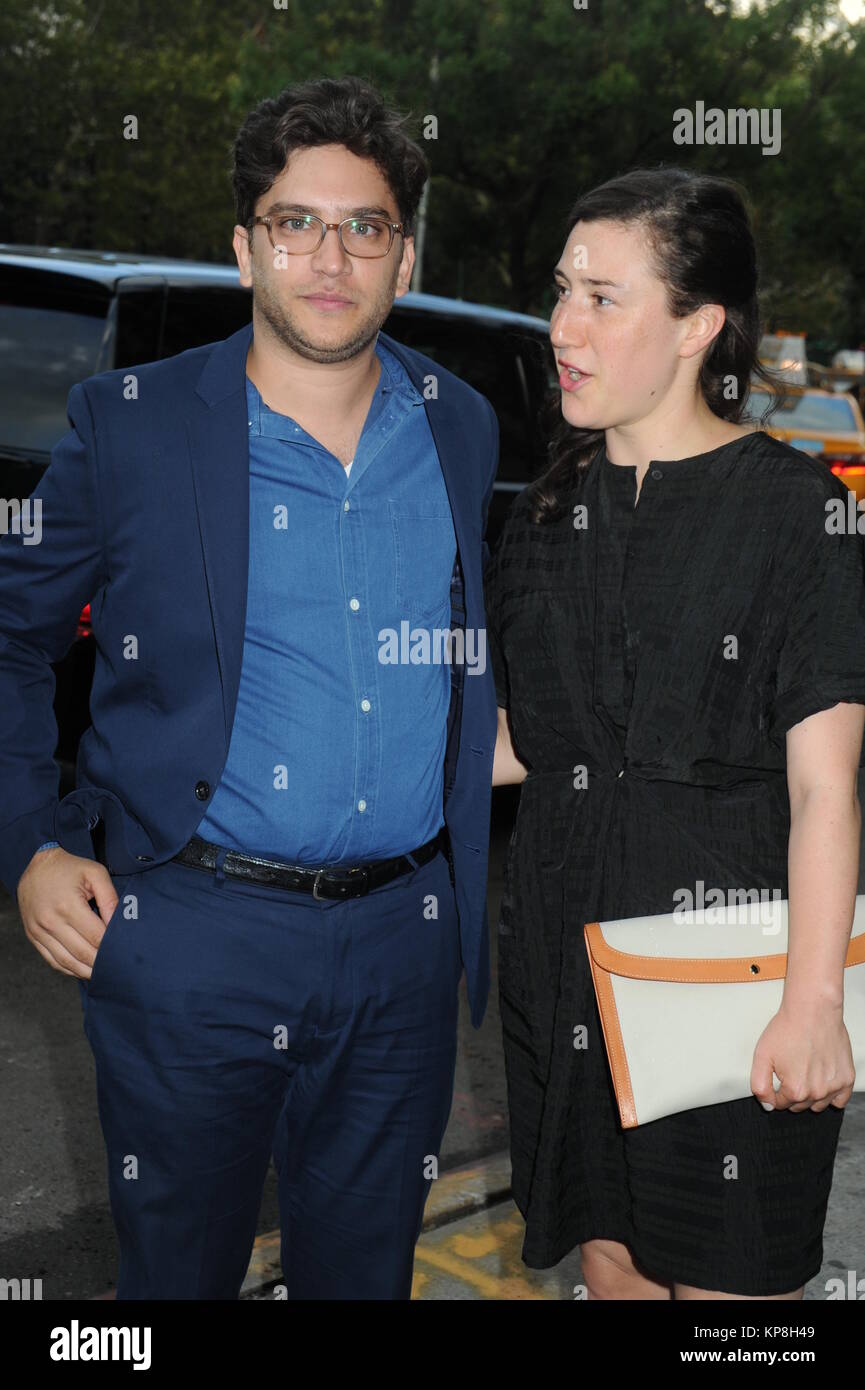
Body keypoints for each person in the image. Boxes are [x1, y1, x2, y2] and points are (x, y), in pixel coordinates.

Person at [0, 75, 499, 1300]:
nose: (328, 256)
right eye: (294, 222)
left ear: (403, 255)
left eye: (363, 226)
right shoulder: (132, 426)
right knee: (173, 1280)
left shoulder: (460, 423)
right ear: (244, 247)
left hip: (402, 946)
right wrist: (28, 844)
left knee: (364, 1281)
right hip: (191, 937)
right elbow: (8, 636)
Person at [486, 166, 865, 1301]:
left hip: (729, 988)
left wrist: (812, 1005)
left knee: (733, 1296)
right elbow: (522, 743)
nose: (562, 328)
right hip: (565, 969)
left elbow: (825, 792)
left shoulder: (799, 513)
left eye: (603, 298)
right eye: (561, 291)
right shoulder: (542, 514)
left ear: (700, 324)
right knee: (608, 1263)